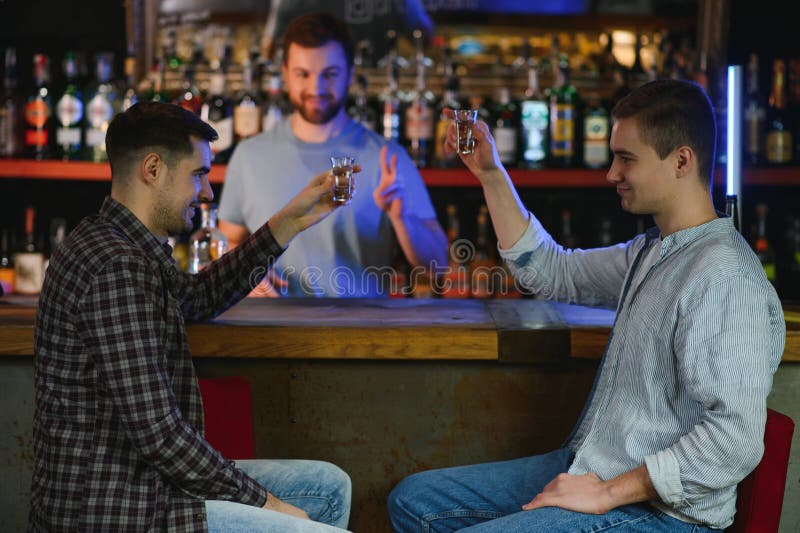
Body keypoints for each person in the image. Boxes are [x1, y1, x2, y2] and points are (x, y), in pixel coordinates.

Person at [388, 79, 785, 531]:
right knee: (412, 501)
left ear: (681, 161)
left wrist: (606, 492)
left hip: (662, 515)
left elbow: (735, 440)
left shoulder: (725, 276)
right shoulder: (653, 250)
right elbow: (550, 271)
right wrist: (491, 173)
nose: (611, 173)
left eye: (626, 159)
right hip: (594, 468)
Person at [29, 101, 353, 532]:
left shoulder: (124, 244)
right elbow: (161, 436)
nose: (207, 194)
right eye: (198, 174)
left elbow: (199, 296)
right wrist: (267, 504)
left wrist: (287, 223)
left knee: (328, 487)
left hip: (147, 485)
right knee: (304, 522)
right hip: (123, 509)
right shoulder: (115, 266)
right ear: (153, 169)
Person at [219, 12, 447, 297]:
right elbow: (225, 242)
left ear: (350, 74)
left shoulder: (388, 157)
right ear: (286, 74)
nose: (316, 88)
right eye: (303, 74)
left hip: (363, 335)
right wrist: (247, 276)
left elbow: (438, 265)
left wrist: (404, 220)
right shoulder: (249, 155)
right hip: (269, 335)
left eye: (330, 74)